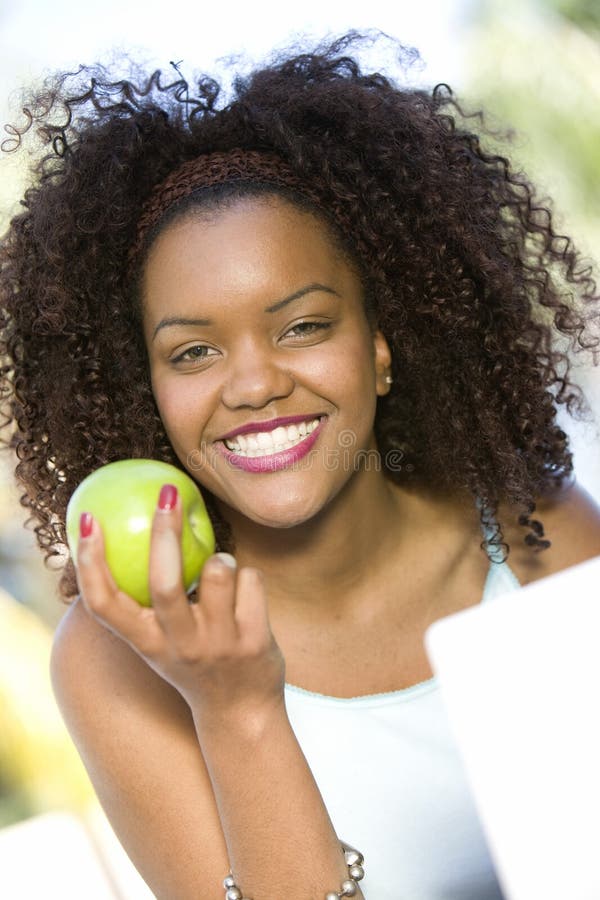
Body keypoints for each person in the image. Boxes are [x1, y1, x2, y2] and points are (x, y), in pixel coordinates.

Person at [1, 31, 599, 900]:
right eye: (194, 352)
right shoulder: (121, 654)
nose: (252, 384)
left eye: (304, 326)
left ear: (383, 347)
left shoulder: (537, 532)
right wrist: (235, 708)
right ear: (148, 392)